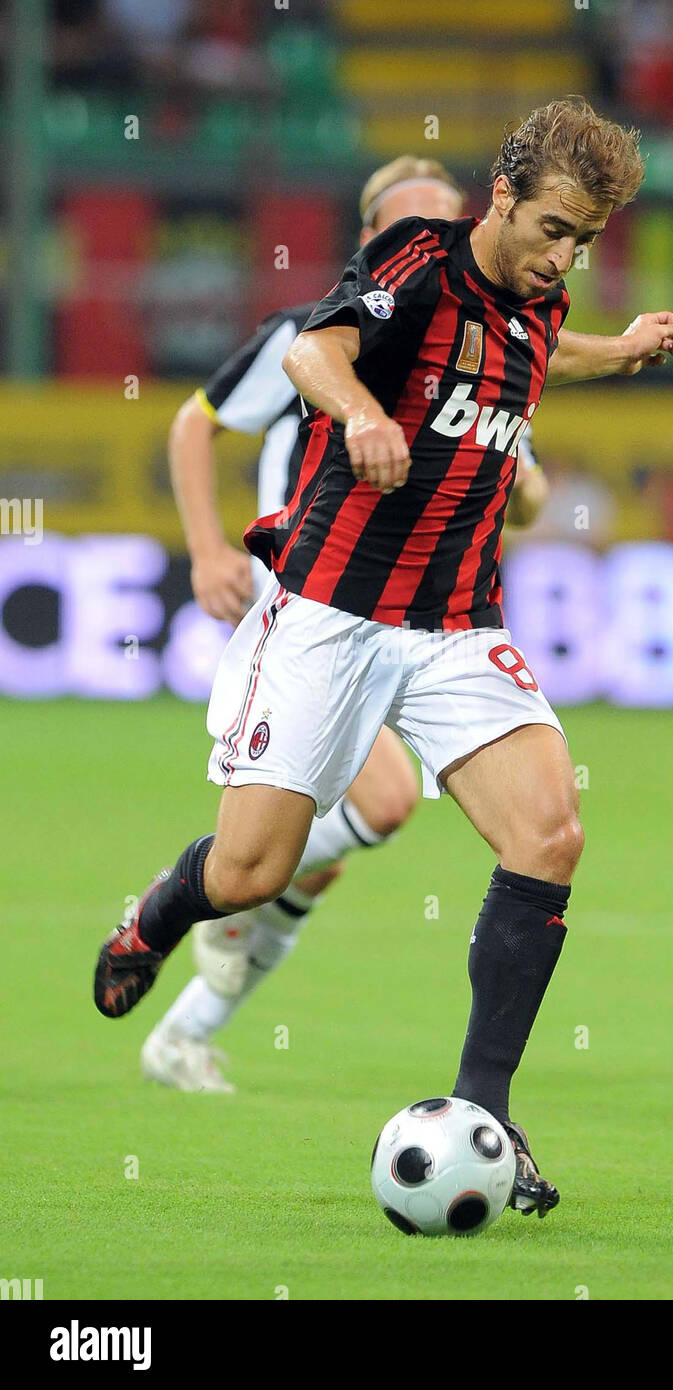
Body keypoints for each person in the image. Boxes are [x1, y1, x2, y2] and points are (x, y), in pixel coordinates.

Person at [95, 96, 673, 1216]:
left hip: (458, 624)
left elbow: (541, 352)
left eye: (584, 242)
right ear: (501, 195)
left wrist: (626, 351)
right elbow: (316, 349)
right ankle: (161, 912)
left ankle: (489, 1116)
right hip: (327, 613)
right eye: (552, 227)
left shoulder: (536, 299)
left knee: (550, 833)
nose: (562, 256)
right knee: (249, 872)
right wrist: (363, 412)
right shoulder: (414, 263)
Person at [141, 156, 553, 1093]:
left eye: (438, 222)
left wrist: (521, 482)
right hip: (313, 603)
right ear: (372, 239)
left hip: (424, 615)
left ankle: (191, 1020)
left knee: (329, 838)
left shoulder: (492, 344)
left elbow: (524, 499)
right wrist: (208, 548)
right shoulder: (314, 330)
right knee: (375, 806)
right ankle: (219, 924)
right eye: (403, 224)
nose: (423, 241)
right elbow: (193, 422)